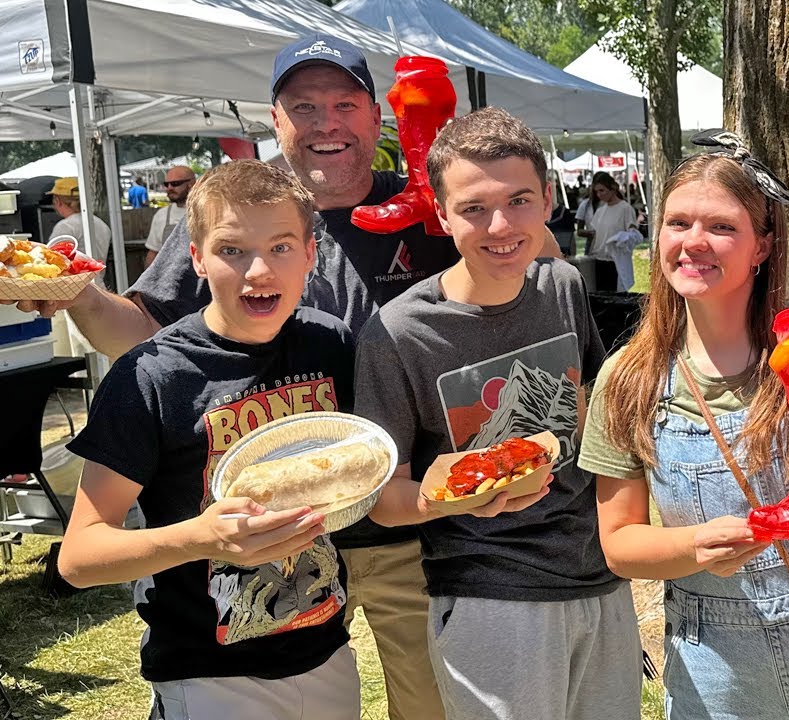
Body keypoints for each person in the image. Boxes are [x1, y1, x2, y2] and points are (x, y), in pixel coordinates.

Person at [12, 33, 462, 720]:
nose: (326, 123)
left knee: (426, 705)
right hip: (265, 545)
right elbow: (145, 335)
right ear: (275, 120)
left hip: (400, 527)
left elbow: (512, 261)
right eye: (303, 106)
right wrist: (78, 295)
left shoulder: (432, 207)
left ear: (377, 117)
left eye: (344, 104)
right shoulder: (235, 209)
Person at [579, 134, 789, 718]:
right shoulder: (627, 378)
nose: (693, 242)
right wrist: (694, 546)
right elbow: (620, 545)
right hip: (716, 672)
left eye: (721, 227)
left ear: (763, 245)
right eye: (677, 223)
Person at [357, 106, 641, 720]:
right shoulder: (398, 333)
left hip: (600, 578)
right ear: (441, 215)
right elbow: (384, 499)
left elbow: (593, 413)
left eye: (518, 201)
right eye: (474, 208)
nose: (501, 225)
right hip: (491, 596)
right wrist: (444, 498)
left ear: (547, 200)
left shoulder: (562, 285)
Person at [57, 160, 360, 720]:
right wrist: (202, 538)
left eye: (281, 247)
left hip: (326, 650)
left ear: (311, 254)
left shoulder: (330, 342)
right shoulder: (151, 375)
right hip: (208, 675)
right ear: (196, 258)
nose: (259, 271)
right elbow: (79, 556)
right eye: (232, 250)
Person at [48, 177, 112, 262]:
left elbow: (51, 258)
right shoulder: (102, 224)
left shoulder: (65, 226)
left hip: (74, 271)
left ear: (57, 201)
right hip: (99, 270)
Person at [144, 165, 197, 268]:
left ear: (191, 184)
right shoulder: (161, 216)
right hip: (170, 276)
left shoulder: (207, 212)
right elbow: (153, 252)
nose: (169, 188)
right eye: (166, 184)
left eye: (175, 184)